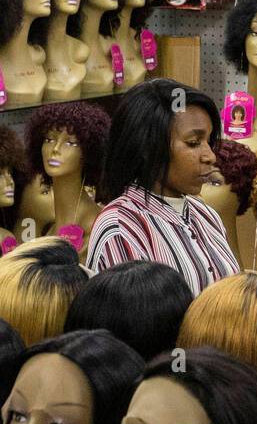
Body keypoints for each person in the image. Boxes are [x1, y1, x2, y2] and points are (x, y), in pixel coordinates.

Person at [86, 79, 240, 295]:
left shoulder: (206, 215)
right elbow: (135, 322)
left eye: (209, 141)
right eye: (194, 143)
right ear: (148, 148)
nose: (210, 156)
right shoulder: (121, 227)